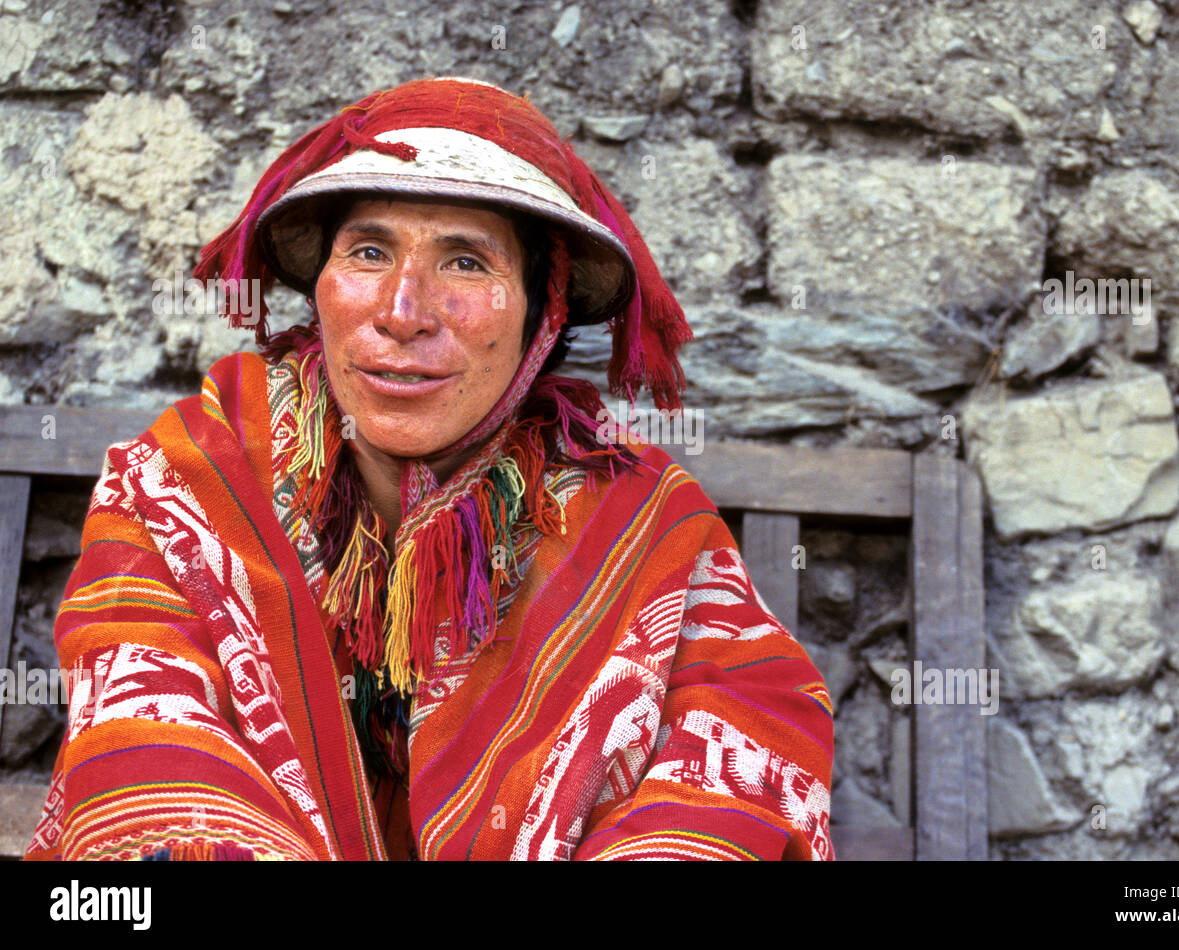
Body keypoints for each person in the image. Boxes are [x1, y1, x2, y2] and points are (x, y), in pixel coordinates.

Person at [24, 77, 834, 861]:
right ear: (322, 288)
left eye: (466, 263)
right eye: (370, 250)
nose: (403, 313)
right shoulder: (186, 477)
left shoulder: (637, 519)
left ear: (541, 313)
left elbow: (748, 728)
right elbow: (145, 717)